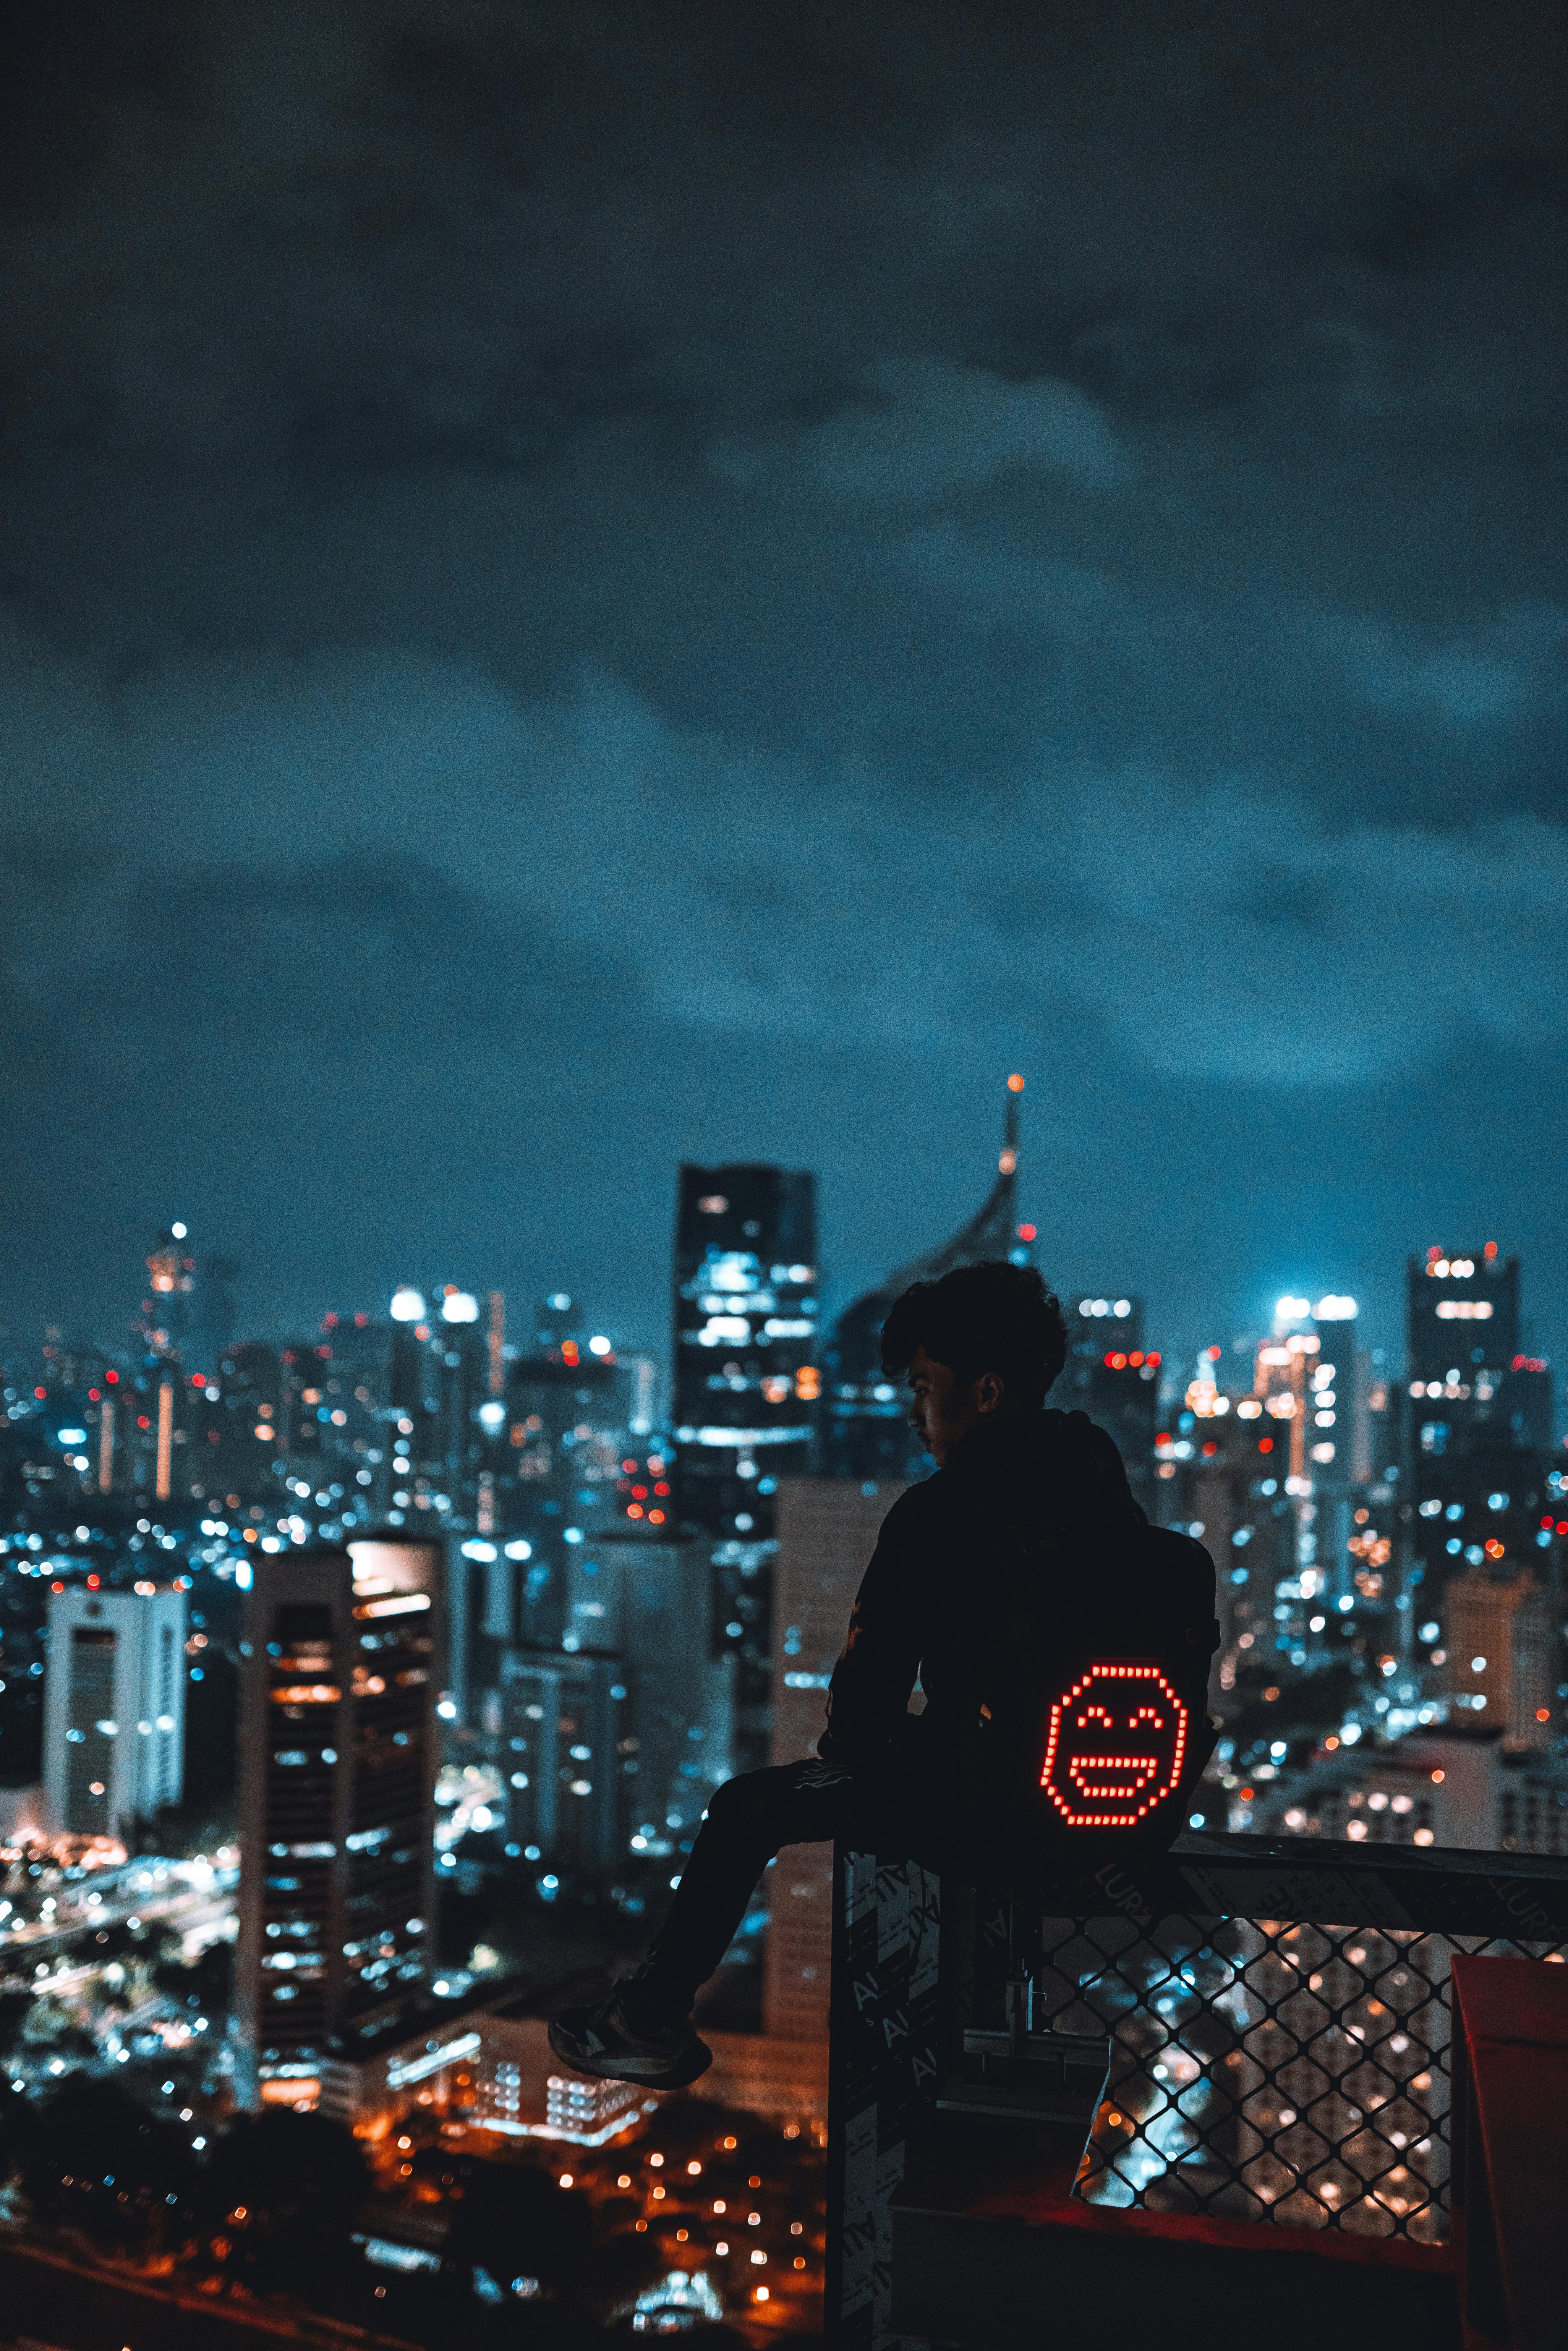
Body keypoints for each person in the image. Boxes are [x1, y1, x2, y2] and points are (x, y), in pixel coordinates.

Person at [549, 1258, 1147, 2091]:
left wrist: (893, 1742)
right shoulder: (1095, 1468)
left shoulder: (937, 1513)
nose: (913, 1413)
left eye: (925, 1387)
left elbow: (860, 1718)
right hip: (1107, 1795)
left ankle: (647, 2017)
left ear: (983, 1391)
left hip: (990, 1806)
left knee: (744, 1810)